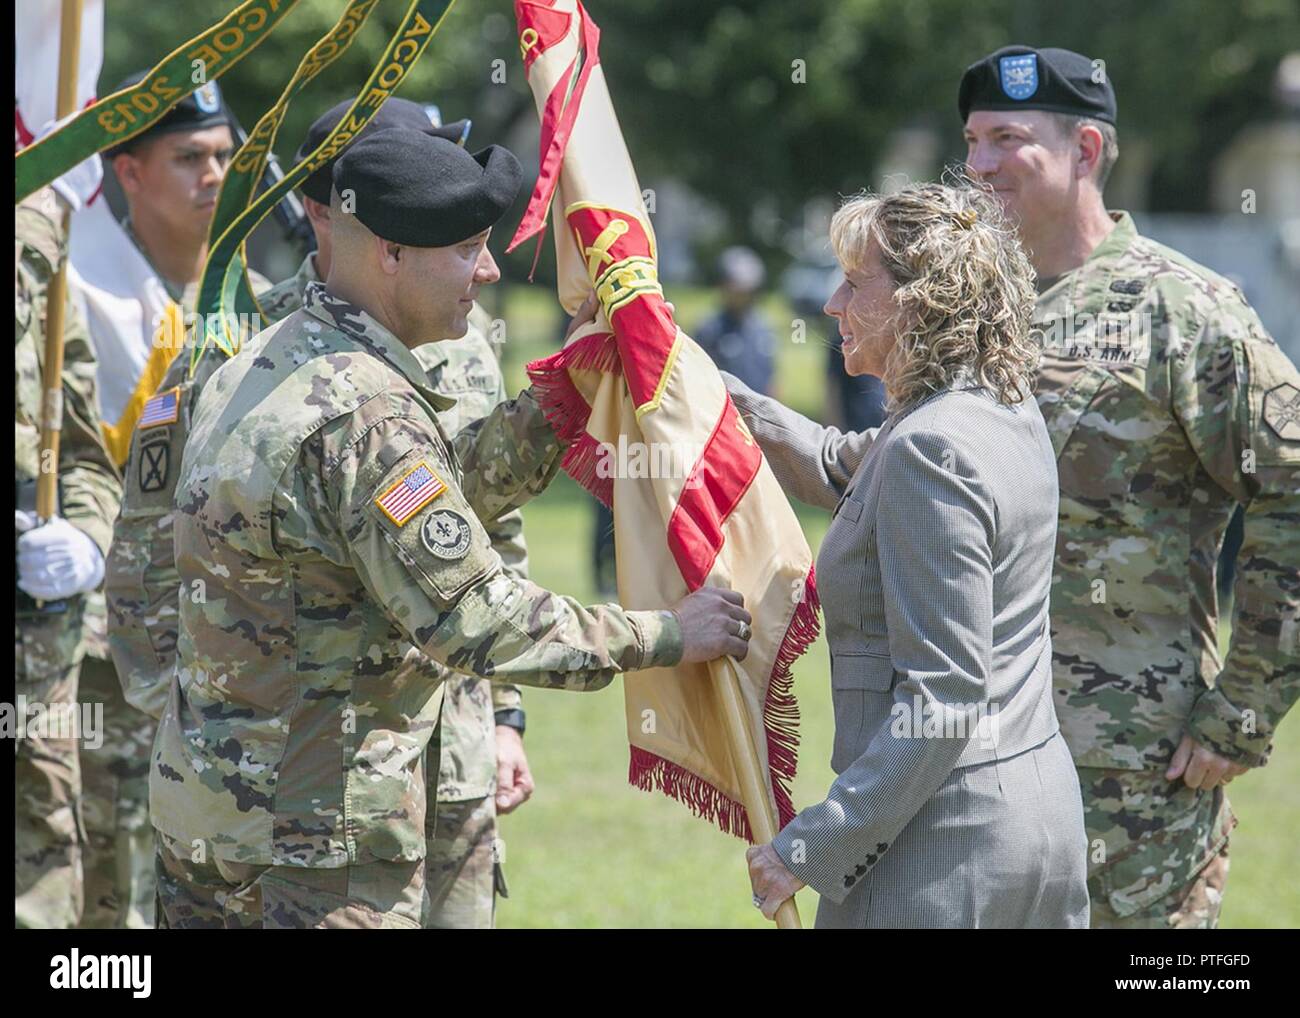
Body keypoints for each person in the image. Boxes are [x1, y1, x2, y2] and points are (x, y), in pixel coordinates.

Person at [149, 128, 752, 928]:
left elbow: (368, 527)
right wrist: (669, 633)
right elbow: (477, 620)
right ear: (391, 254)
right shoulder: (367, 416)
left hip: (206, 817)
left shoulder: (260, 362)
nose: (491, 270)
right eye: (468, 249)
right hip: (315, 845)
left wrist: (556, 403)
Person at [108, 97, 529, 929]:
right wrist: (198, 722)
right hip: (301, 788)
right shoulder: (239, 340)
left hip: (454, 756)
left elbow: (493, 538)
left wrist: (508, 717)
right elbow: (147, 544)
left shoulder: (466, 340)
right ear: (325, 209)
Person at [960, 44, 1300, 928]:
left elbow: (1293, 488)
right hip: (964, 762)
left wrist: (1246, 707)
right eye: (972, 142)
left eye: (1007, 140)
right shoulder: (962, 315)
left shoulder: (1182, 311)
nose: (980, 164)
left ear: (1085, 150)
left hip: (1126, 780)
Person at [738, 180, 1088, 928]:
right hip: (1037, 819)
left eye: (854, 282)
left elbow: (945, 694)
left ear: (921, 302)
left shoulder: (928, 446)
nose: (831, 303)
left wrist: (816, 845)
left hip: (940, 846)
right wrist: (703, 387)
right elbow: (837, 463)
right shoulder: (999, 407)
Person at [73, 74, 271, 929]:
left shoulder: (253, 299)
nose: (215, 174)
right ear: (128, 172)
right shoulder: (84, 299)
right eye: (189, 157)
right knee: (109, 869)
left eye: (224, 154)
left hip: (233, 636)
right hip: (115, 640)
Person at [15, 185, 122, 928]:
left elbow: (82, 450)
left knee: (44, 880)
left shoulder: (40, 253)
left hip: (35, 647)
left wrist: (85, 535)